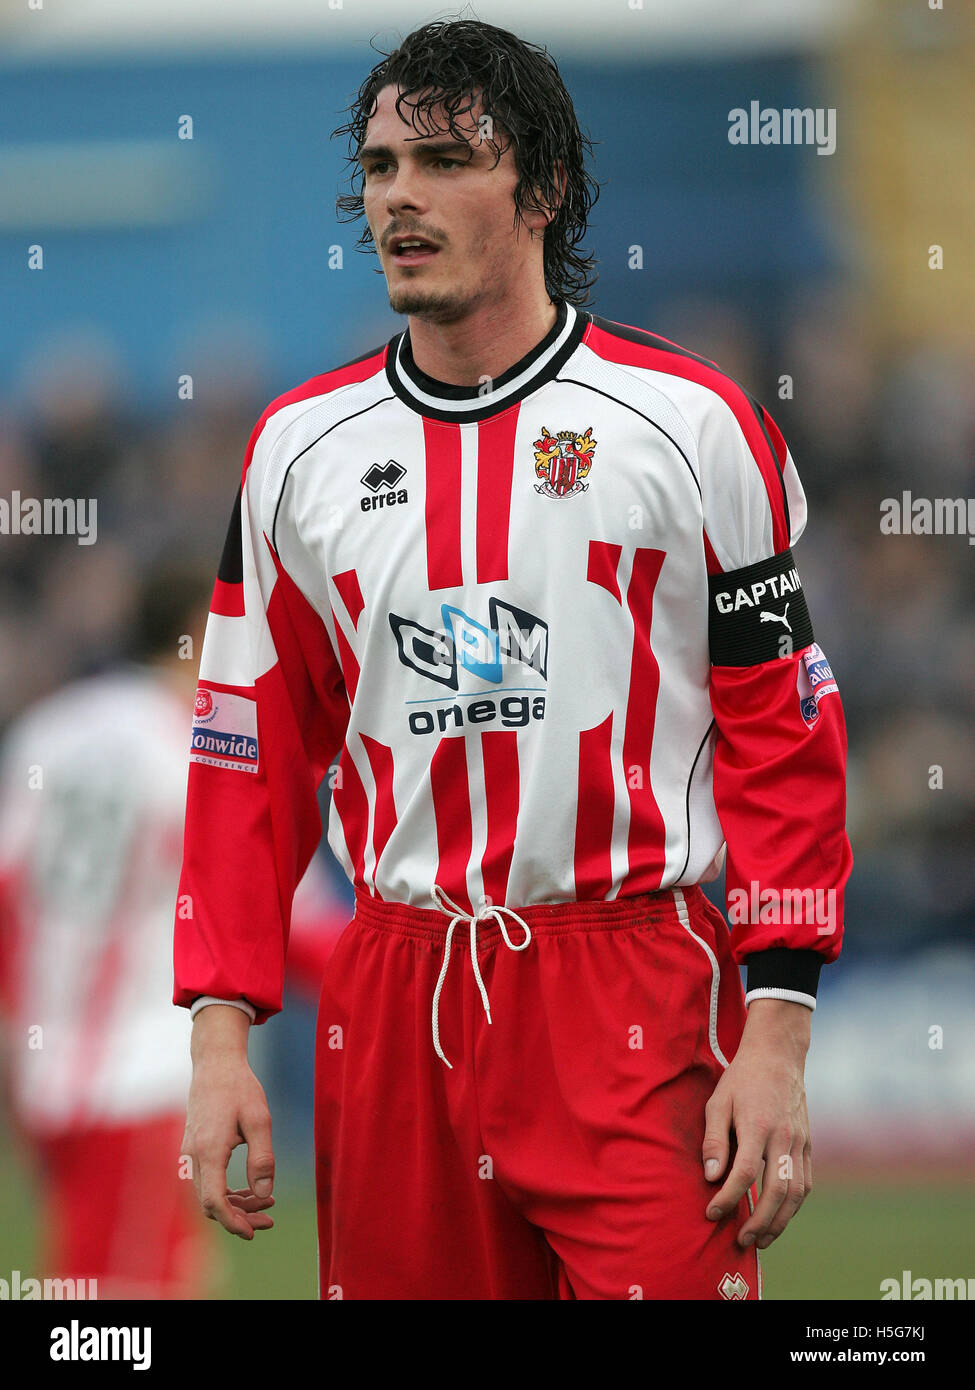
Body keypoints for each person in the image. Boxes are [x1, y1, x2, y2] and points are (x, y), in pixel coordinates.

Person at [175, 18, 853, 1300]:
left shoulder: (692, 428)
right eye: (379, 168)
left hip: (633, 985)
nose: (399, 198)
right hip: (396, 993)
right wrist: (221, 1043)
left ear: (540, 190)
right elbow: (246, 761)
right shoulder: (295, 454)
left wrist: (779, 1032)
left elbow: (785, 740)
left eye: (442, 160)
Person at [0, 567, 213, 1298]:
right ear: (198, 627)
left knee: (158, 1281)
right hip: (137, 1075)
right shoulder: (198, 746)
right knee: (118, 1313)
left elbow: (7, 894)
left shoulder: (52, 724)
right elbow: (287, 919)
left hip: (47, 1074)